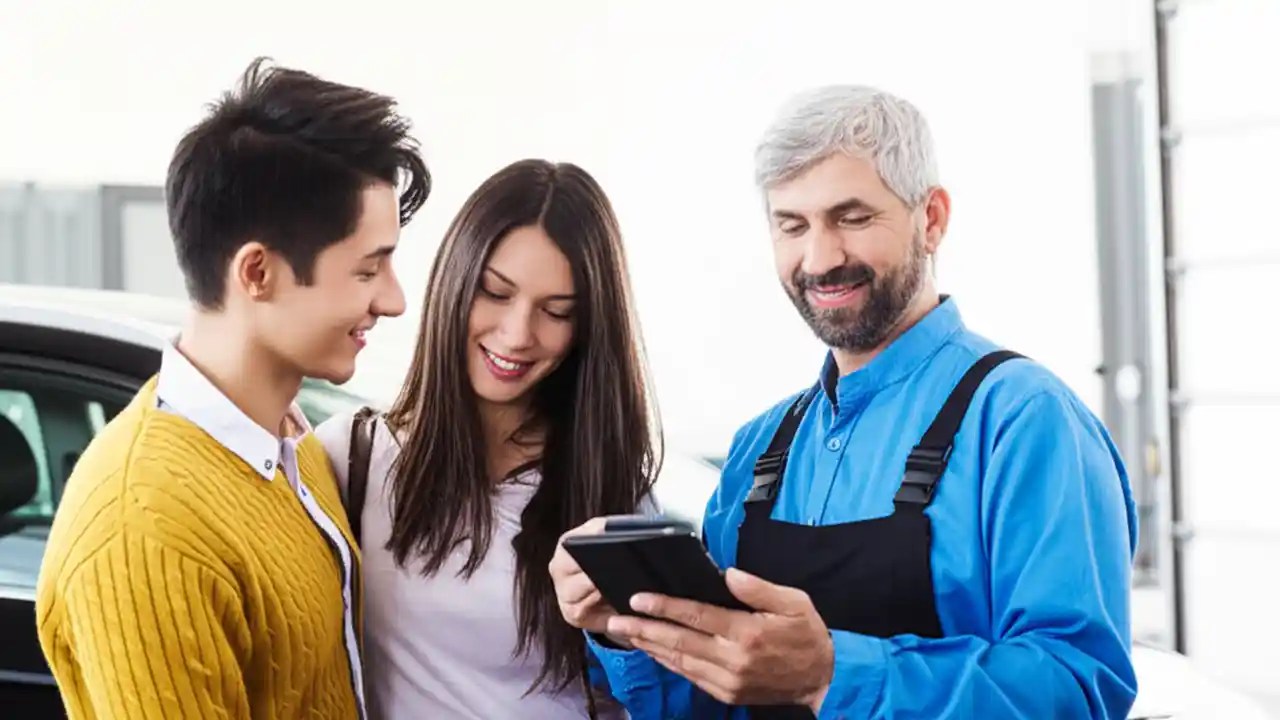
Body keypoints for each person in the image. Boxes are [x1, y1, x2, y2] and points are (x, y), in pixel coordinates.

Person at [551, 85, 1139, 719]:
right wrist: (629, 628)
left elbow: (1079, 691)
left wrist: (831, 673)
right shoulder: (758, 449)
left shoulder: (1024, 422)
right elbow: (710, 705)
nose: (820, 258)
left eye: (852, 218)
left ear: (931, 219)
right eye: (792, 225)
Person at [35, 57, 430, 719]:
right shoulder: (145, 530)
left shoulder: (290, 445)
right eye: (368, 270)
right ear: (258, 272)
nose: (392, 300)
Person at [314, 158, 659, 719]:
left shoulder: (613, 496)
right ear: (455, 280)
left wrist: (618, 635)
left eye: (556, 312)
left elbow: (658, 697)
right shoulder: (351, 458)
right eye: (495, 293)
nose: (518, 334)